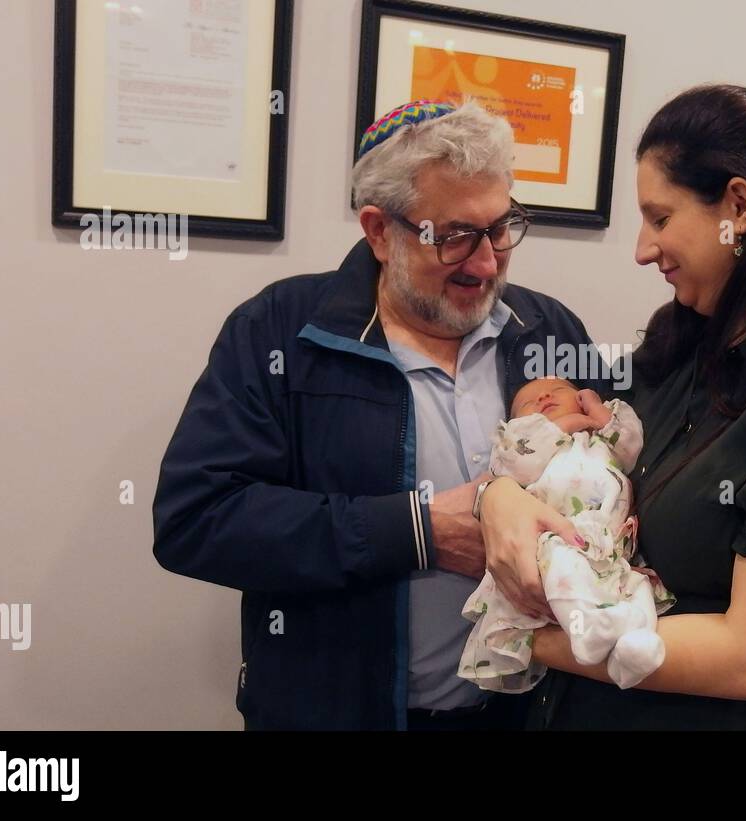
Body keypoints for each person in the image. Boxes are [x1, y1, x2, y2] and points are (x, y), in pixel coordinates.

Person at [479, 84, 746, 730]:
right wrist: (500, 496)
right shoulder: (677, 342)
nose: (641, 248)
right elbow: (580, 463)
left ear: (737, 206)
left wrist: (526, 633)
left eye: (660, 219)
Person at [152, 100, 602, 730]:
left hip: (521, 716)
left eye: (500, 229)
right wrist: (416, 530)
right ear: (378, 231)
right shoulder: (280, 331)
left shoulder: (547, 329)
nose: (485, 263)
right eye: (453, 237)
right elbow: (196, 519)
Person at [458, 378, 673, 694]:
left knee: (635, 584)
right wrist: (565, 424)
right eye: (529, 403)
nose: (543, 395)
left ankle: (635, 644)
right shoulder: (522, 445)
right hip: (557, 535)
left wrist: (597, 414)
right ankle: (586, 631)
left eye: (559, 391)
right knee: (565, 568)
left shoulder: (602, 442)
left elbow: (631, 445)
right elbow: (516, 463)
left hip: (608, 546)